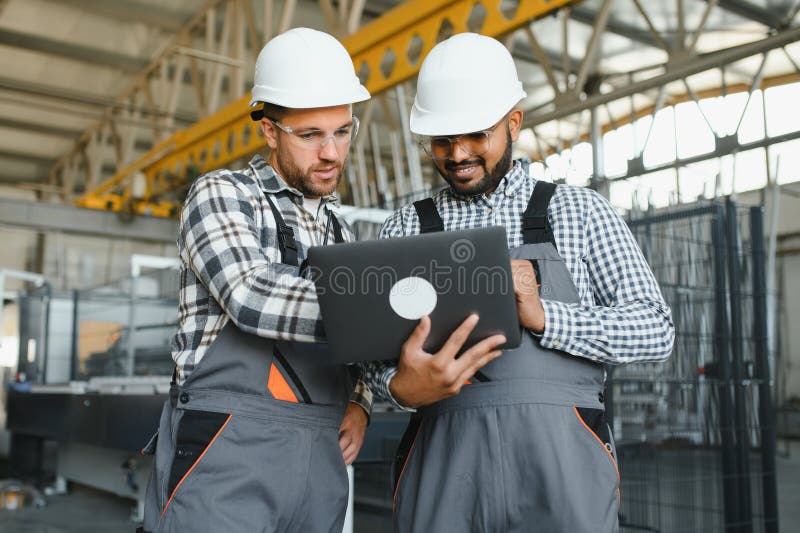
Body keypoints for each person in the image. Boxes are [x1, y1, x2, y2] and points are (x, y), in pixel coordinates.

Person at [362, 33, 675, 533]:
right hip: (445, 465)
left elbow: (655, 329)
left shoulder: (578, 212)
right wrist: (400, 387)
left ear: (513, 122)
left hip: (563, 468)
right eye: (442, 140)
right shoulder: (405, 229)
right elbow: (373, 357)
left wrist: (547, 317)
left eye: (475, 136)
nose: (458, 153)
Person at [139, 28, 375, 533]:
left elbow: (361, 355)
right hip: (228, 453)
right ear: (270, 130)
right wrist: (383, 305)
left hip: (319, 463)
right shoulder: (223, 195)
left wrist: (361, 402)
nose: (332, 152)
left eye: (343, 130)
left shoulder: (344, 230)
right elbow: (250, 296)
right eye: (311, 135)